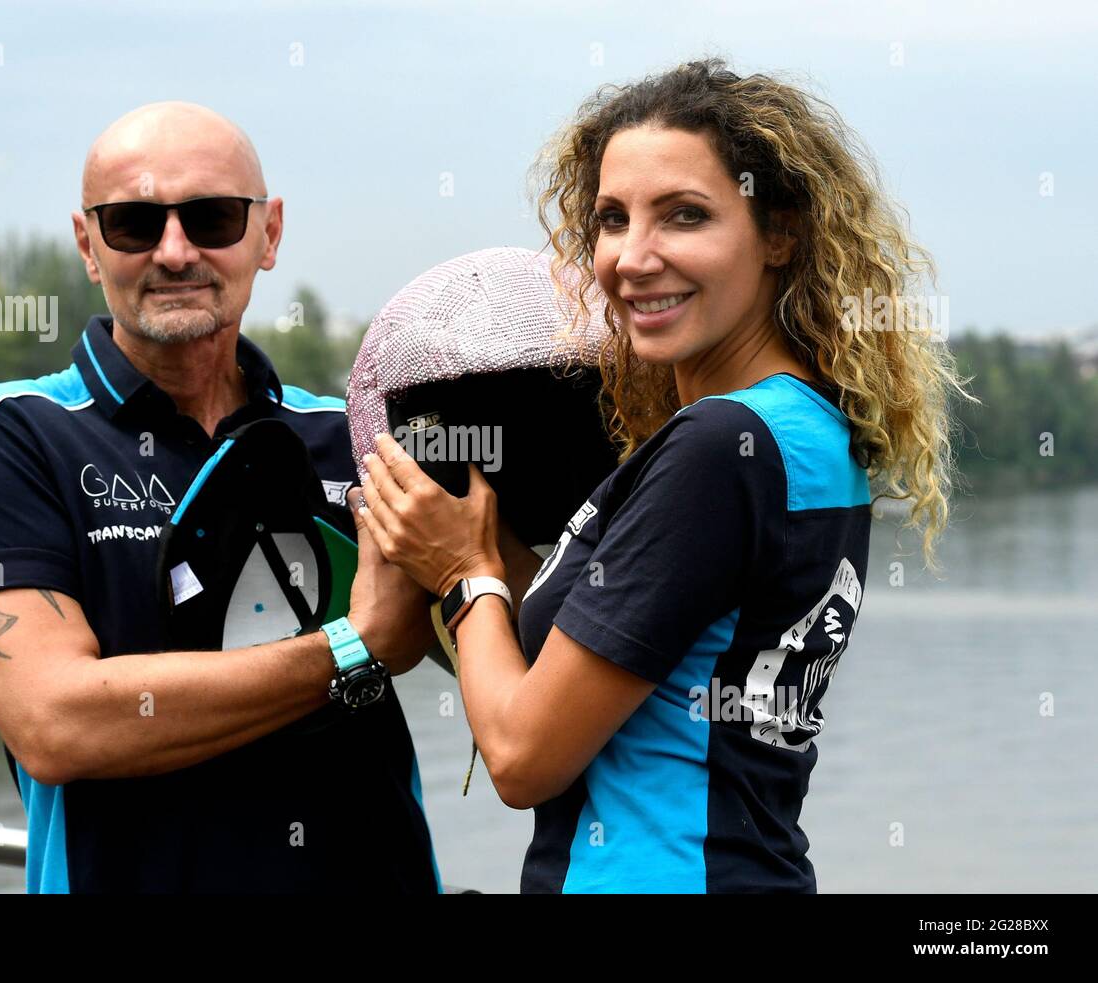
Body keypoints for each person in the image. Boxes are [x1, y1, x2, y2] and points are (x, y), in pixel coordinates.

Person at [356, 59, 964, 893]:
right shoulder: (806, 430)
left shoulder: (718, 447)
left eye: (684, 216)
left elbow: (524, 757)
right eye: (611, 219)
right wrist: (483, 557)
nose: (633, 258)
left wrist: (466, 577)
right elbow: (637, 651)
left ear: (780, 233)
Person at [0, 101, 440, 893]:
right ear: (87, 244)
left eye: (211, 217)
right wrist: (354, 644)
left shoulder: (354, 434)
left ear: (268, 234)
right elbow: (57, 722)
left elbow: (509, 647)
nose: (174, 250)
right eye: (132, 223)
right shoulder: (6, 433)